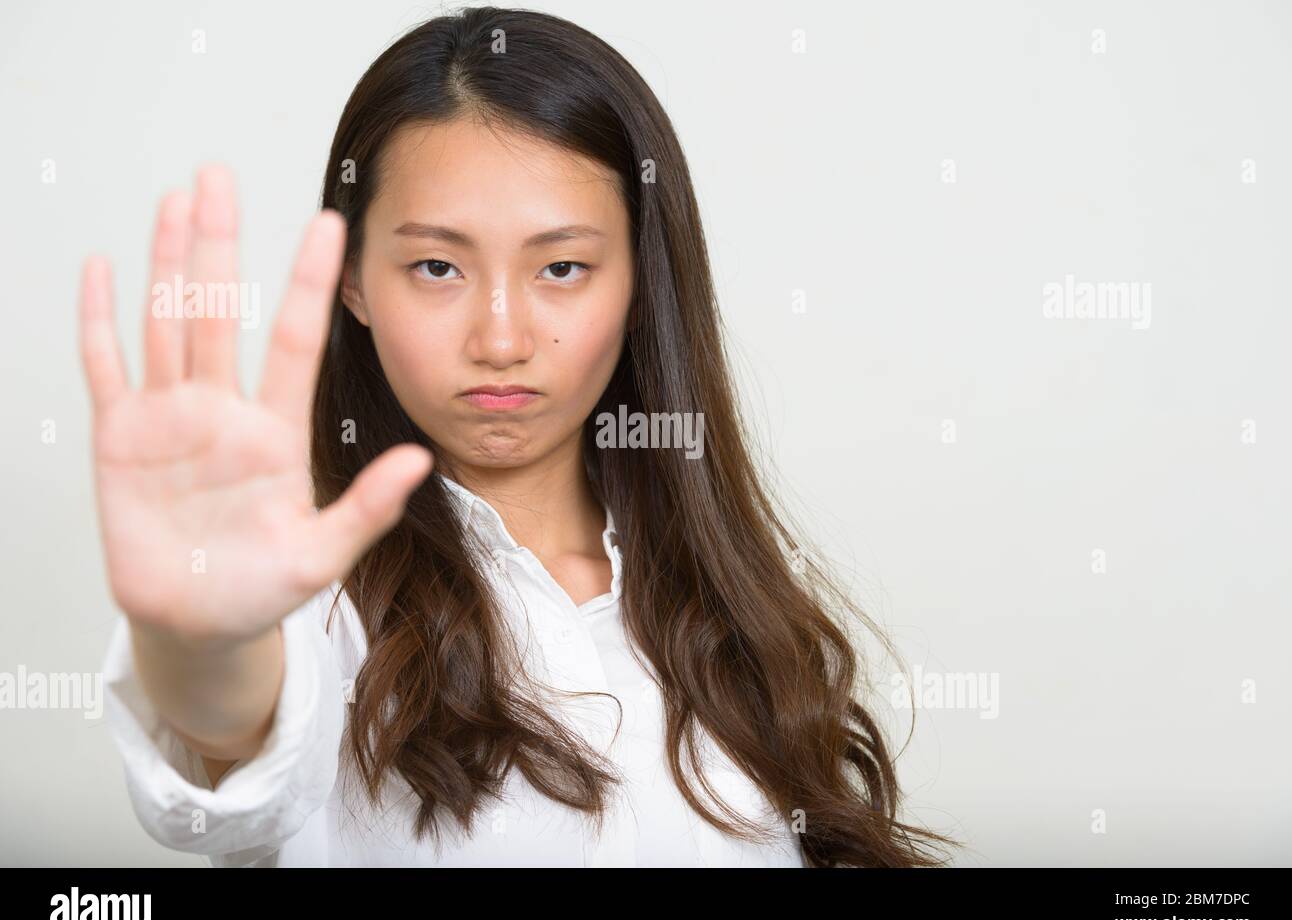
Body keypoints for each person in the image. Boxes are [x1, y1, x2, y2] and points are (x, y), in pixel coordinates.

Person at [81, 6, 958, 867]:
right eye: (437, 266)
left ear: (639, 280)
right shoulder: (308, 611)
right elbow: (230, 741)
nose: (500, 339)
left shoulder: (735, 612)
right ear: (352, 280)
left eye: (562, 267)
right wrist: (202, 638)